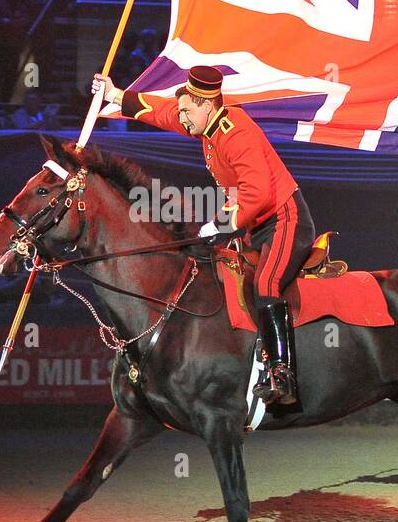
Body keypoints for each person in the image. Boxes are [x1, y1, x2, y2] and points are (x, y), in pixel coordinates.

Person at [92, 65, 311, 406]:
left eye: (186, 112)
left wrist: (219, 224)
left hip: (284, 220)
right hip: (253, 226)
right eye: (182, 111)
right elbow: (164, 113)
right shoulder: (204, 122)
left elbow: (257, 193)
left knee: (266, 284)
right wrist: (116, 95)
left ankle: (282, 374)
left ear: (207, 105)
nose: (181, 119)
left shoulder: (235, 132)